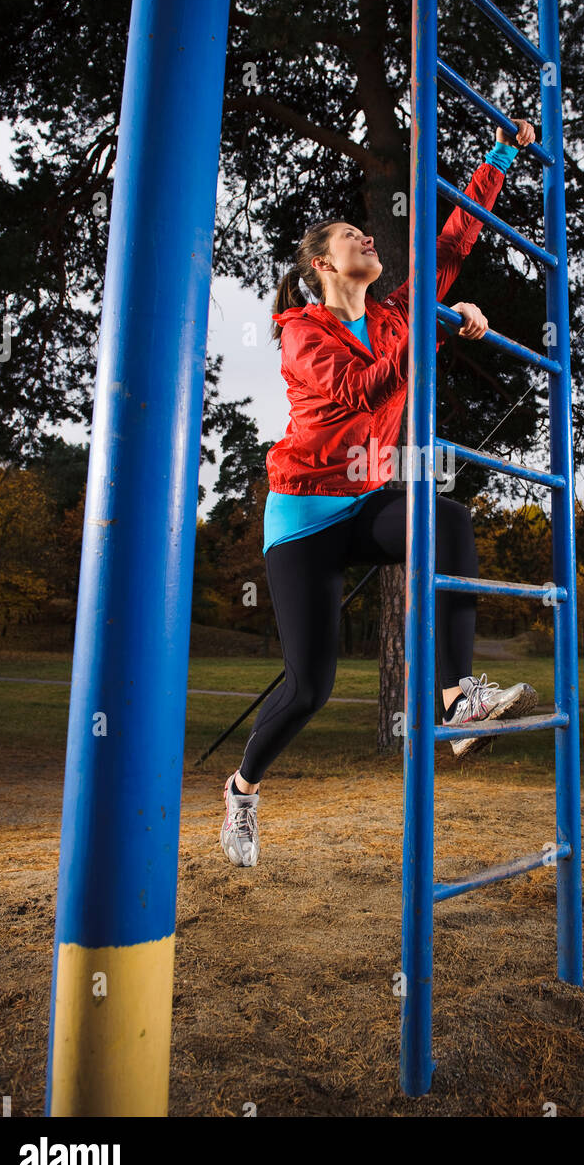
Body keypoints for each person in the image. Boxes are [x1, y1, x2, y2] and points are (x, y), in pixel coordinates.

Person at [221, 119, 540, 867]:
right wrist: (438, 326)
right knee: (308, 690)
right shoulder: (300, 331)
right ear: (319, 265)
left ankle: (459, 701)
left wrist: (499, 152)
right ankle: (241, 791)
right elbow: (357, 389)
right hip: (302, 519)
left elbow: (456, 242)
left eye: (369, 234)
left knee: (447, 518)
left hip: (364, 503)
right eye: (352, 237)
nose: (369, 239)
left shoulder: (397, 316)